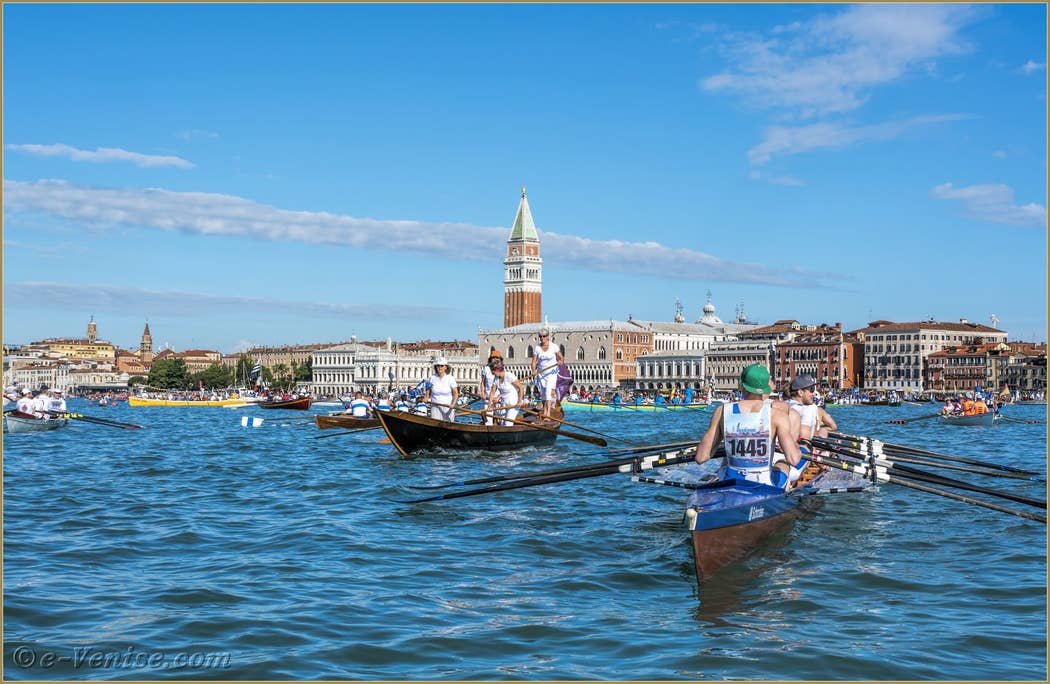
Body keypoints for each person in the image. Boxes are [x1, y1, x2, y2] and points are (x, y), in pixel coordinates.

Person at [694, 364, 804, 489]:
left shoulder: (722, 411)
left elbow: (701, 457)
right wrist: (797, 448)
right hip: (763, 483)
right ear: (766, 388)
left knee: (726, 462)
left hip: (731, 480)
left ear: (742, 386)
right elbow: (794, 459)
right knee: (783, 463)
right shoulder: (777, 415)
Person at [530, 329, 563, 419]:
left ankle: (547, 414)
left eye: (544, 336)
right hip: (541, 373)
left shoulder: (553, 346)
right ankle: (544, 410)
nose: (542, 338)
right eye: (540, 336)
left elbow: (561, 358)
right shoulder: (537, 348)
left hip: (552, 372)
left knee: (548, 391)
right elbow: (533, 361)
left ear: (548, 337)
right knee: (543, 393)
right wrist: (533, 370)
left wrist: (560, 361)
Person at [424, 356, 459, 422]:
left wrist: (453, 404)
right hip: (435, 406)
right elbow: (428, 389)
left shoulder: (450, 378)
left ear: (445, 367)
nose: (439, 368)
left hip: (448, 406)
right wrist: (426, 397)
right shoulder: (432, 378)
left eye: (441, 366)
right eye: (438, 366)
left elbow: (455, 393)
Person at [481, 347, 503, 425]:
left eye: (496, 357)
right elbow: (483, 382)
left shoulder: (502, 369)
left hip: (499, 398)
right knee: (488, 419)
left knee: (500, 419)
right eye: (493, 357)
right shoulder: (486, 368)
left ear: (500, 359)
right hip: (488, 397)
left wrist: (498, 397)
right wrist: (482, 393)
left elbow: (504, 386)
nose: (495, 359)